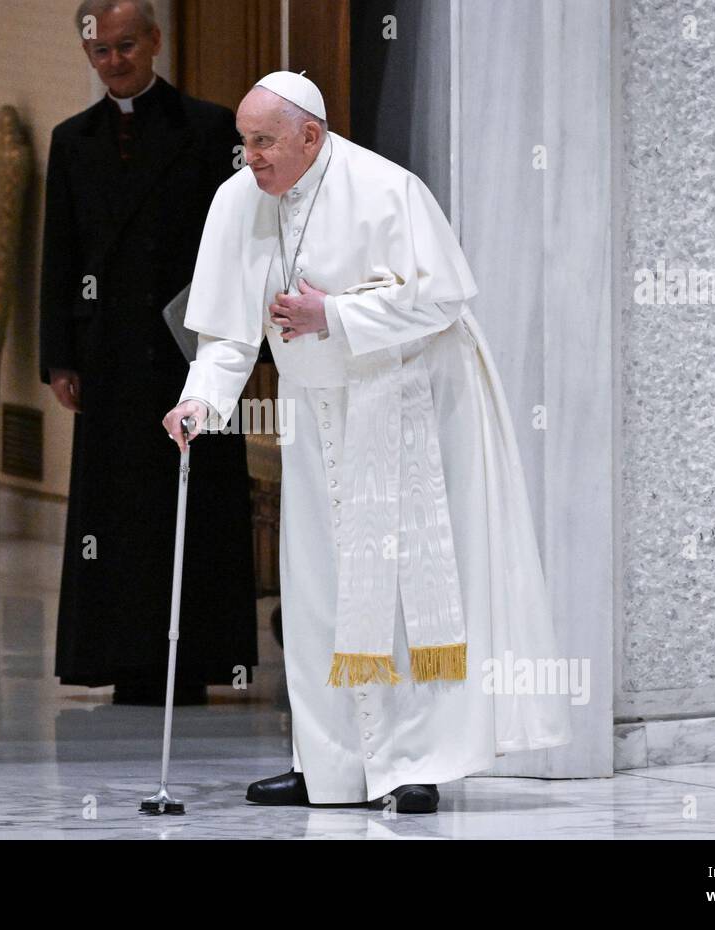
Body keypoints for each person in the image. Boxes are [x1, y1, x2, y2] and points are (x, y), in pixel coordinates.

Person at [163, 72, 572, 812]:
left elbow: (443, 296)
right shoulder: (237, 201)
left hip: (408, 397)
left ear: (310, 137)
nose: (249, 158)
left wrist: (336, 316)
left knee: (403, 592)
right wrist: (199, 403)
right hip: (316, 406)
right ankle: (331, 768)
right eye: (244, 142)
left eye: (263, 142)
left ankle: (415, 762)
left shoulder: (388, 189)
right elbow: (226, 329)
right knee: (319, 587)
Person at [40, 1, 257, 704]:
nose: (115, 61)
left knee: (195, 501)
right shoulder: (73, 141)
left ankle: (199, 656)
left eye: (126, 46)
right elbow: (59, 253)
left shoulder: (209, 129)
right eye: (100, 51)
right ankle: (120, 655)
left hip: (186, 351)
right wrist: (59, 355)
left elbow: (242, 244)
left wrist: (235, 342)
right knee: (115, 509)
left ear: (156, 41)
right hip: (106, 354)